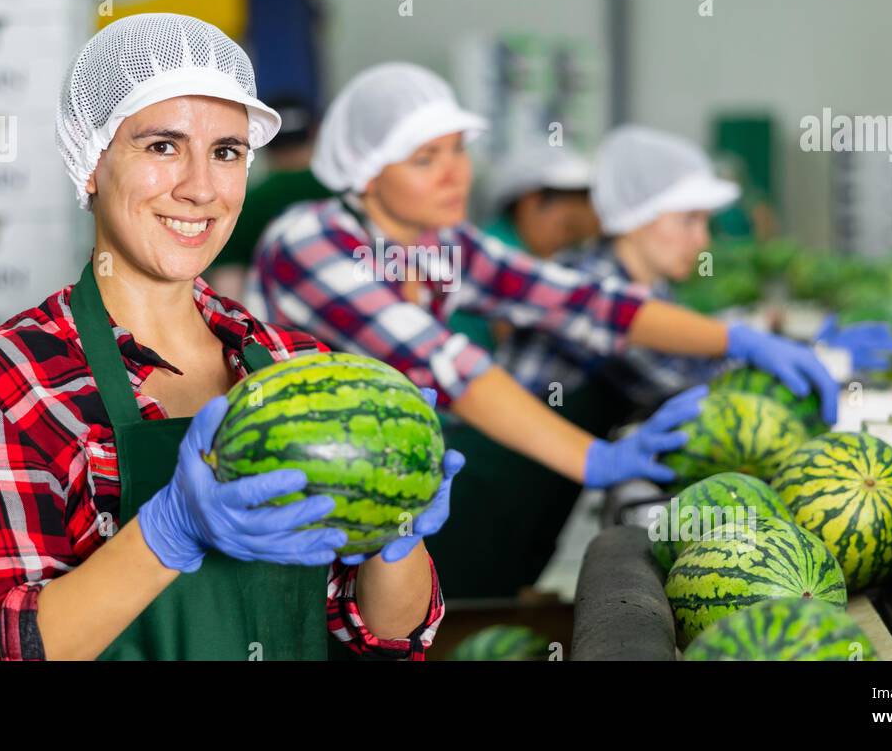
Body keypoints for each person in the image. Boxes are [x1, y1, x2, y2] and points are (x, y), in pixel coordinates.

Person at [0, 15, 459, 661]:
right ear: (89, 164)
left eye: (226, 152)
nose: (201, 188)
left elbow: (381, 642)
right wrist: (166, 532)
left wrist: (394, 534)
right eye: (162, 147)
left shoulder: (296, 365)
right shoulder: (6, 384)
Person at [246, 63, 841, 597]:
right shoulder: (310, 242)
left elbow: (580, 301)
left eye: (458, 149)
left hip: (385, 483)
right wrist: (595, 459)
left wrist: (733, 339)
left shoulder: (441, 243)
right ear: (368, 174)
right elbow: (447, 367)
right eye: (426, 158)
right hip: (297, 500)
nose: (455, 173)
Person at [500, 125, 892, 418]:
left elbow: (695, 359)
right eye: (689, 221)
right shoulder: (597, 285)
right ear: (637, 218)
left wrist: (803, 348)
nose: (703, 241)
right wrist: (814, 362)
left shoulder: (645, 283)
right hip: (500, 487)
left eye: (705, 222)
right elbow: (680, 385)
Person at [450, 146, 599, 352]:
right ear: (532, 202)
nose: (563, 244)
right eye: (567, 229)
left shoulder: (512, 245)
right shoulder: (500, 254)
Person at [206, 96, 331, 298]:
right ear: (315, 131)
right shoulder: (344, 191)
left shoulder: (244, 201)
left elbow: (228, 285)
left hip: (275, 325)